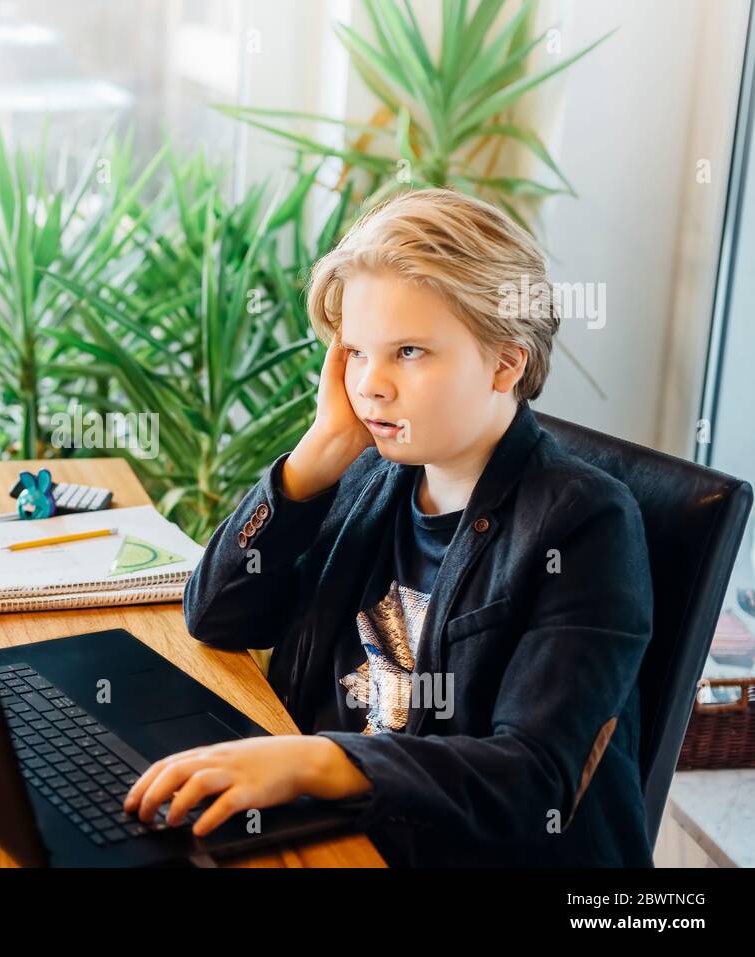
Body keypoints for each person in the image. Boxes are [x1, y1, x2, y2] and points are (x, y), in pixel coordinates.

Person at [123, 188, 654, 866]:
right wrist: (315, 457)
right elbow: (217, 615)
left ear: (505, 362)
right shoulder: (373, 474)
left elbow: (533, 777)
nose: (370, 384)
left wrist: (318, 761)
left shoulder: (585, 524)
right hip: (328, 828)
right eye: (357, 351)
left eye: (408, 351)